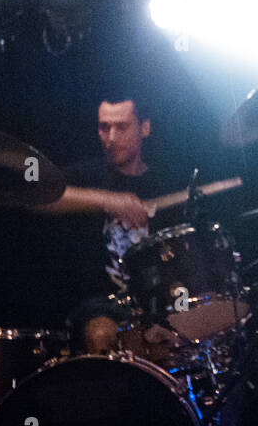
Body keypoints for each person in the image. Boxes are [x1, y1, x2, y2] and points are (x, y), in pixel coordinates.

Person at [39, 95, 181, 356]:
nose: (111, 137)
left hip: (158, 303)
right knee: (102, 334)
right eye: (104, 127)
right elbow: (36, 196)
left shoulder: (164, 182)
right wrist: (105, 200)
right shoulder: (87, 175)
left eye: (122, 127)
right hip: (100, 304)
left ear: (145, 128)